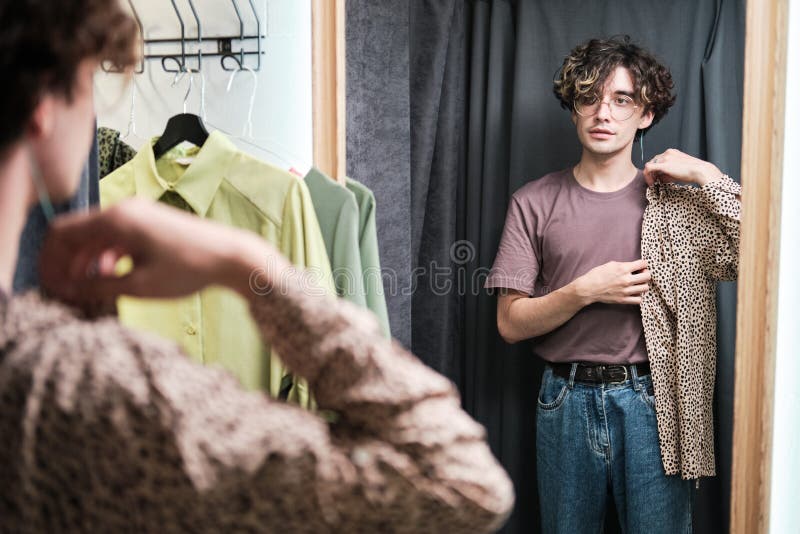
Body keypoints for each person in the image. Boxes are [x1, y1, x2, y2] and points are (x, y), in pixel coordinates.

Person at [0, 1, 514, 532]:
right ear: (44, 105)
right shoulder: (73, 382)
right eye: (90, 85)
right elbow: (464, 480)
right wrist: (253, 266)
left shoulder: (49, 371)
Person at [485, 36, 736, 533]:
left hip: (654, 403)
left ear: (645, 115)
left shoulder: (675, 205)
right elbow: (510, 325)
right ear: (574, 109)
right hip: (563, 402)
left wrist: (706, 174)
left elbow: (770, 253)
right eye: (589, 97)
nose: (604, 112)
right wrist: (585, 290)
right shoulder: (532, 202)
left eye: (622, 100)